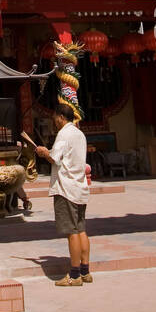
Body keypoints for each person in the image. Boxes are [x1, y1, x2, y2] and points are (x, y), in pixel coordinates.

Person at [36, 102, 91, 286]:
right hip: (80, 186)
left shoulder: (63, 134)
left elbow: (54, 158)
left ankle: (74, 275)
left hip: (66, 188)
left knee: (72, 232)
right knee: (81, 229)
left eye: (55, 118)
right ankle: (85, 271)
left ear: (60, 116)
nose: (54, 121)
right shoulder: (79, 134)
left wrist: (44, 152)